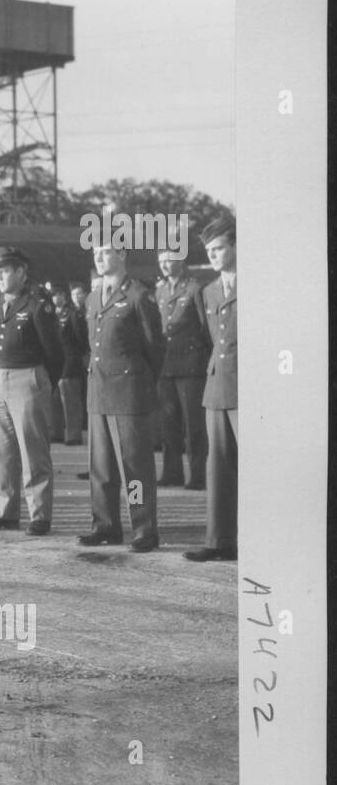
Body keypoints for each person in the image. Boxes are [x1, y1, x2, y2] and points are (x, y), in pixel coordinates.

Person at [77, 244, 166, 553]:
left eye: (106, 252)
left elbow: (154, 347)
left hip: (129, 394)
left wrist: (140, 383)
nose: (99, 259)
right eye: (96, 254)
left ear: (123, 255)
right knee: (101, 467)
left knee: (135, 468)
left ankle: (143, 529)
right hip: (98, 391)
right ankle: (105, 525)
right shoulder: (92, 298)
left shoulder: (139, 296)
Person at [0, 247, 63, 535]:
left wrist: (42, 382)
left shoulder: (37, 305)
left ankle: (39, 515)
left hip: (29, 376)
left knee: (32, 450)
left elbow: (55, 352)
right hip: (0, 377)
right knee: (1, 451)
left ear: (20, 273)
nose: (1, 277)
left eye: (6, 271)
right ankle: (4, 512)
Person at [185, 221, 238, 562]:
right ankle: (219, 541)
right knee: (216, 468)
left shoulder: (262, 286)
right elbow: (210, 338)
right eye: (209, 251)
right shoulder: (208, 292)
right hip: (217, 385)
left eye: (218, 248)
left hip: (251, 387)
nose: (213, 255)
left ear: (236, 246)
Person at [155, 247, 211, 489]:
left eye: (170, 259)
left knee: (193, 425)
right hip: (166, 365)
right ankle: (172, 473)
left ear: (182, 260)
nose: (165, 264)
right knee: (169, 423)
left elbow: (205, 328)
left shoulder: (194, 288)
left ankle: (198, 475)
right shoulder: (159, 290)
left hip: (191, 367)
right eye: (161, 260)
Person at [50, 282, 87, 446]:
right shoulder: (50, 315)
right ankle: (56, 432)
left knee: (70, 397)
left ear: (65, 297)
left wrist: (79, 354)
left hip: (70, 359)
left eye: (59, 295)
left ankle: (73, 434)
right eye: (54, 295)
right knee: (55, 397)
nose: (56, 298)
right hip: (55, 360)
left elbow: (80, 337)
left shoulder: (71, 313)